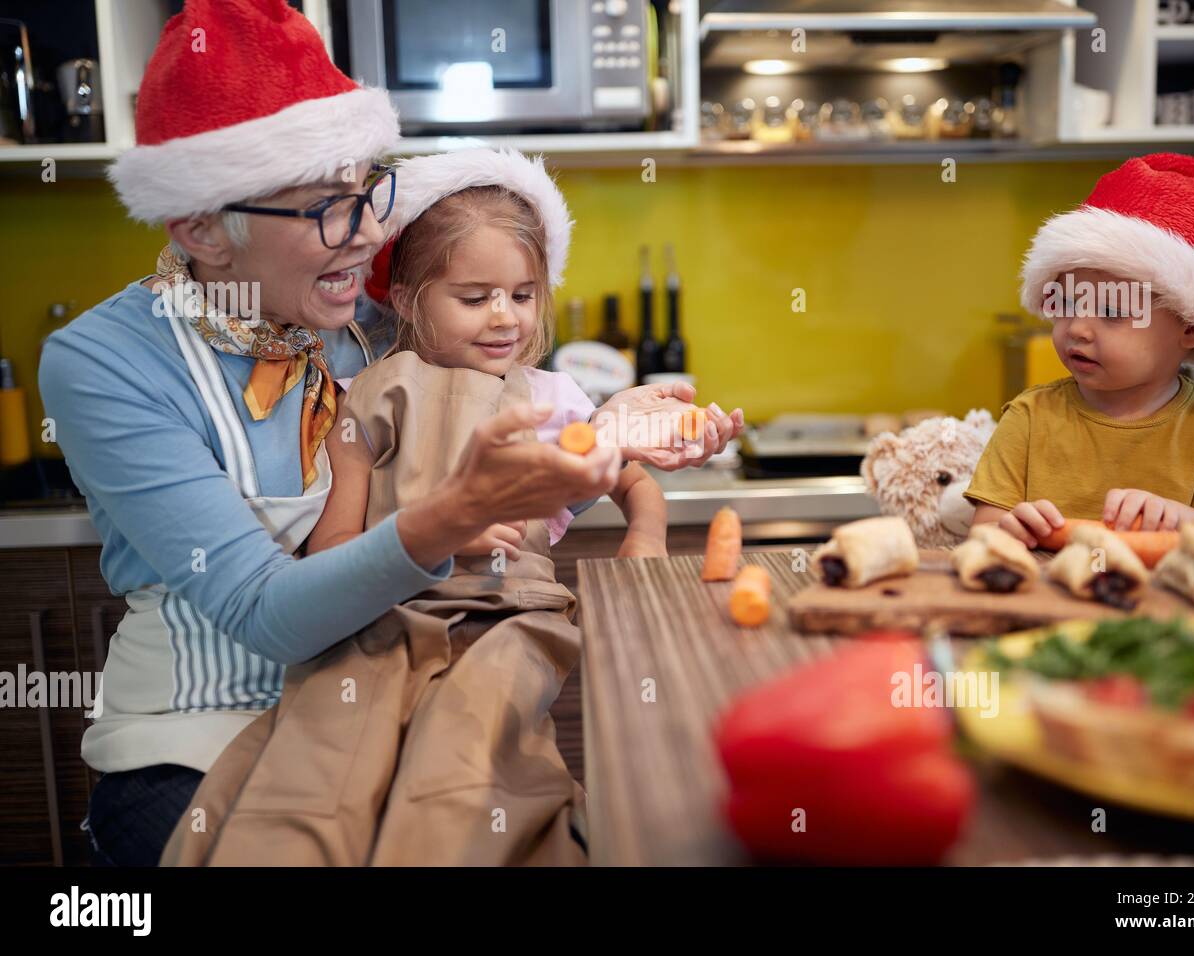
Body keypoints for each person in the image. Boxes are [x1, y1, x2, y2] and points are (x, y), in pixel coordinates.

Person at [38, 0, 737, 866]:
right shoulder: (105, 363)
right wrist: (442, 520)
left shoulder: (374, 321)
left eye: (369, 192)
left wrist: (614, 428)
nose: (369, 237)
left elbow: (513, 386)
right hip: (201, 738)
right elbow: (269, 613)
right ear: (202, 228)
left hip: (407, 705)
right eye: (330, 209)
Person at [966, 153, 1194, 547]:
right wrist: (1010, 530)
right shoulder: (1029, 418)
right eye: (1067, 303)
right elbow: (982, 536)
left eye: (1111, 311)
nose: (1077, 327)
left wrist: (1180, 519)